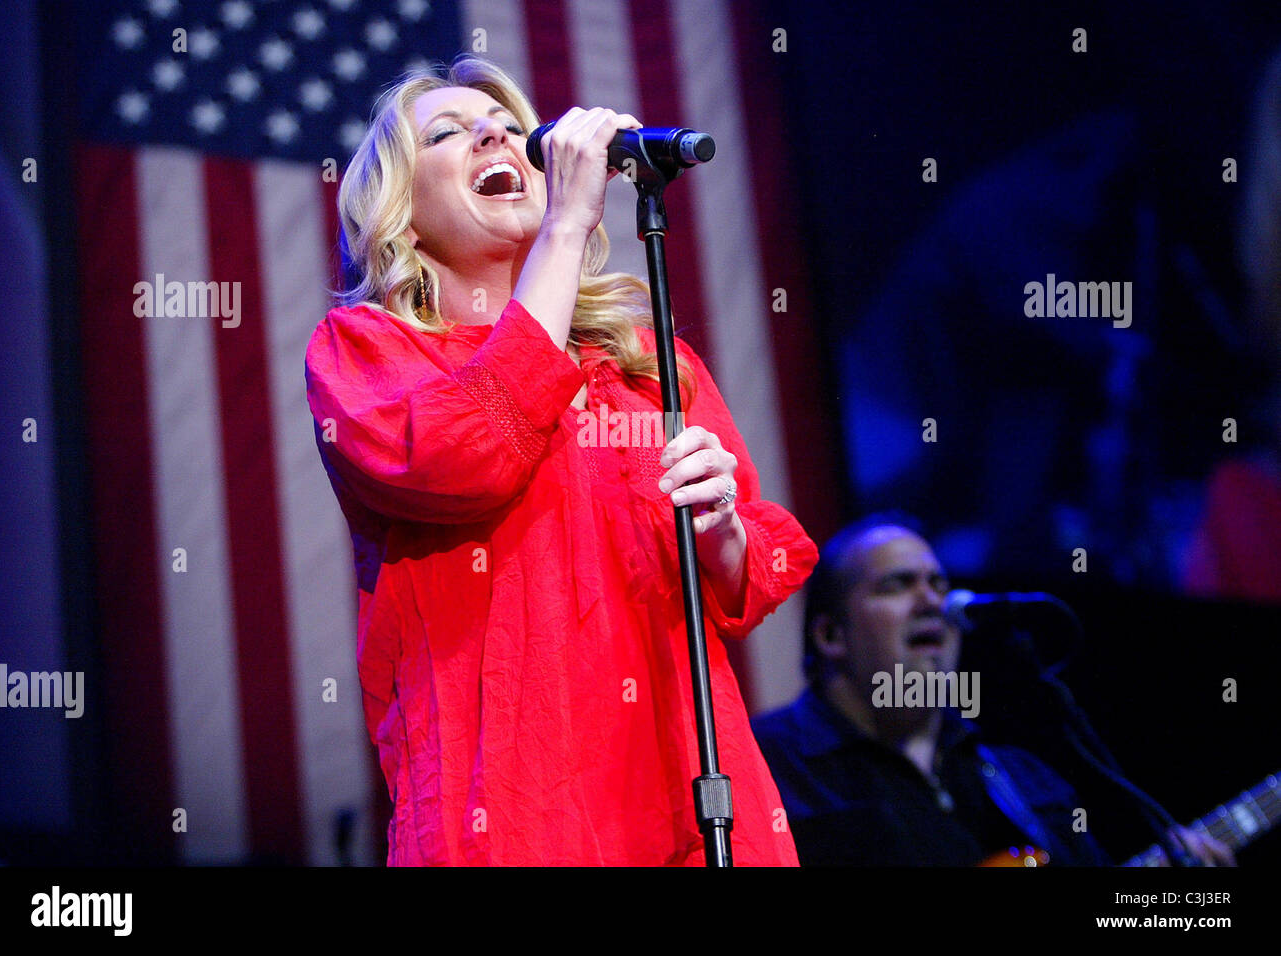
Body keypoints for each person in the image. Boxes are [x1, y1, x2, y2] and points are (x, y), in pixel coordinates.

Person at [304, 57, 817, 866]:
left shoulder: (649, 363)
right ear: (397, 215)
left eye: (508, 125)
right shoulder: (368, 353)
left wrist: (721, 531)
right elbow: (464, 456)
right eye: (447, 132)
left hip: (691, 797)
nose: (494, 133)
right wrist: (566, 228)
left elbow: (751, 573)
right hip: (515, 809)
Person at [752, 515, 1234, 866]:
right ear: (831, 636)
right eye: (898, 585)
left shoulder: (1022, 778)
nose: (932, 601)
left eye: (939, 584)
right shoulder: (766, 768)